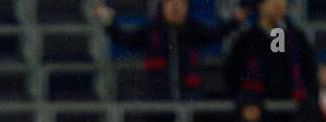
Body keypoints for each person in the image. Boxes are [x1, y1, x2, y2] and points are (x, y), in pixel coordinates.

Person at [94, 0, 247, 100]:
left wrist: (235, 21)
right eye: (170, 3)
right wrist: (108, 22)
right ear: (164, 7)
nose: (175, 7)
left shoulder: (193, 29)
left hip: (190, 93)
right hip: (158, 95)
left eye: (181, 3)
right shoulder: (153, 30)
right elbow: (124, 39)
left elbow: (216, 34)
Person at [224, 0, 317, 103]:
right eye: (273, 4)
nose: (278, 7)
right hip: (254, 107)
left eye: (282, 4)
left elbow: (309, 71)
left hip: (292, 105)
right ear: (261, 6)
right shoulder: (247, 39)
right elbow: (232, 73)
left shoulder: (296, 38)